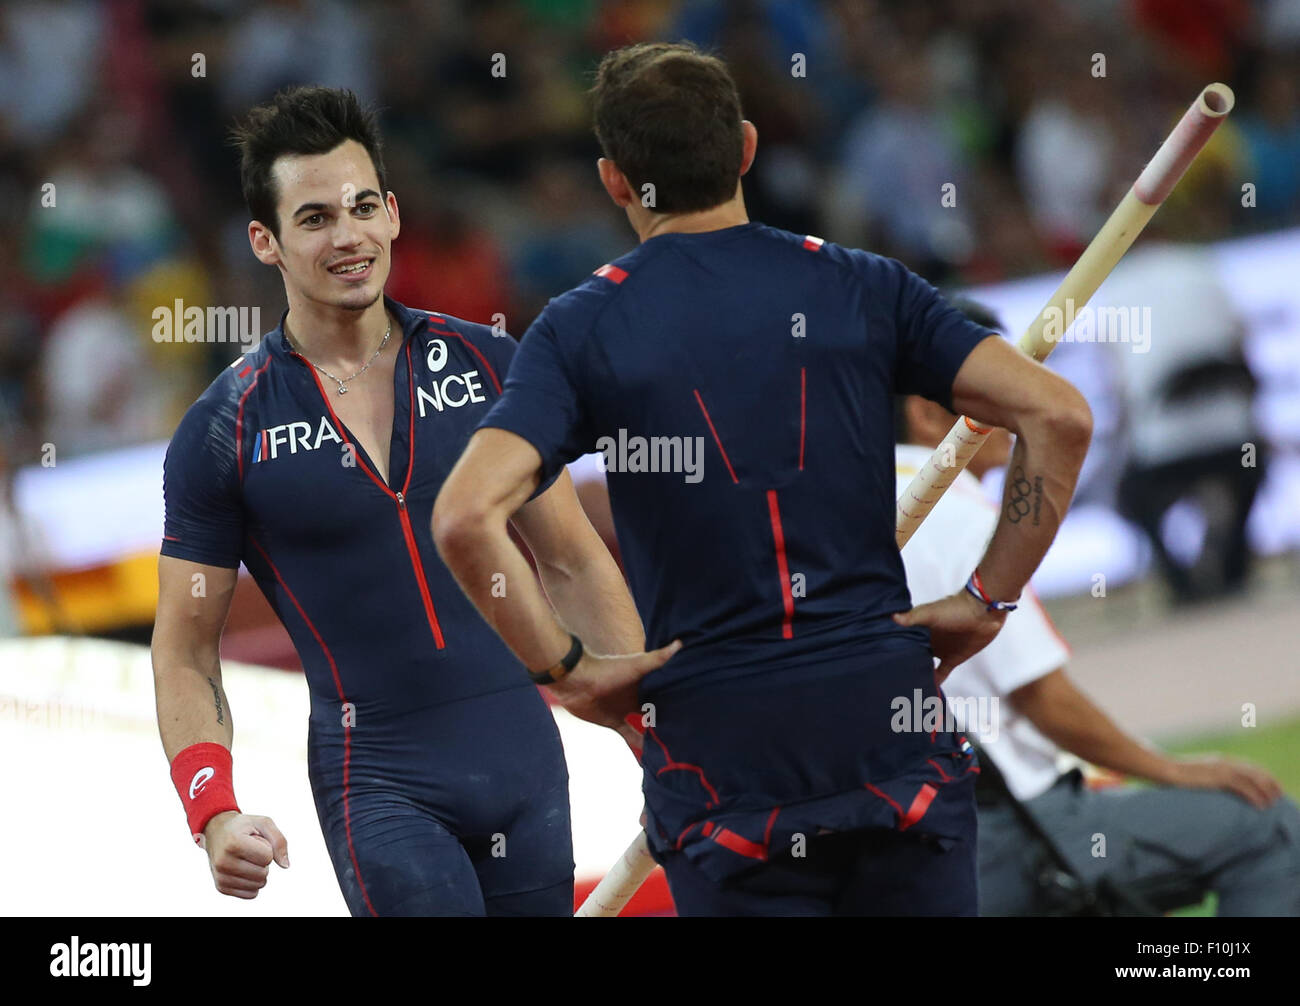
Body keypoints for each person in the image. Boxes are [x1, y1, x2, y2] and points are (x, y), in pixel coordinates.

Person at [433, 42, 1092, 916]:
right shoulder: (863, 284)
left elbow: (464, 518)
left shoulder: (578, 330)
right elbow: (1060, 416)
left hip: (722, 766)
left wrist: (567, 669)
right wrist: (988, 600)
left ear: (614, 180)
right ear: (745, 147)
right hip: (890, 738)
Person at [151, 86, 646, 917]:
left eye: (362, 206)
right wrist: (213, 810)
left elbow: (570, 560)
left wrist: (654, 736)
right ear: (264, 241)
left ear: (393, 214)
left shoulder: (491, 364)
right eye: (313, 219)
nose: (347, 236)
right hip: (379, 788)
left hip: (527, 769)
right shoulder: (225, 430)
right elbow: (185, 652)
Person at [896, 302, 1300, 917]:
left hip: (905, 844)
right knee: (1265, 825)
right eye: (997, 388)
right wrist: (1167, 769)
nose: (1014, 408)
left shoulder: (844, 516)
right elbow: (1042, 697)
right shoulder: (954, 511)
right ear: (928, 416)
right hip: (1006, 831)